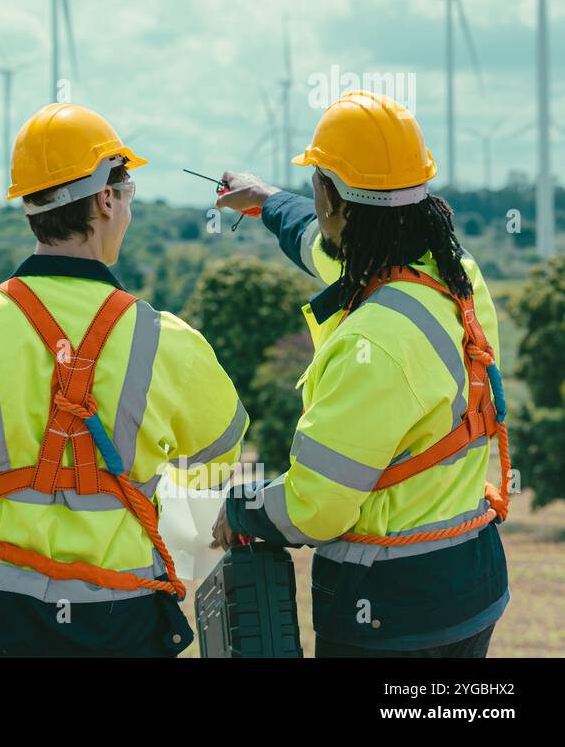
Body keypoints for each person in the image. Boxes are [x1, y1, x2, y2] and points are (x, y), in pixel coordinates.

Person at [0, 102, 248, 657]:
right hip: (122, 624)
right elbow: (216, 456)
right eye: (128, 195)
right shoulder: (167, 341)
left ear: (30, 207)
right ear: (105, 199)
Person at [212, 90, 511, 658]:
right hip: (471, 583)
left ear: (331, 196)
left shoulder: (372, 340)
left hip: (391, 613)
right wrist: (266, 200)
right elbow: (320, 244)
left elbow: (316, 506)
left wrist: (240, 507)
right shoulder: (453, 274)